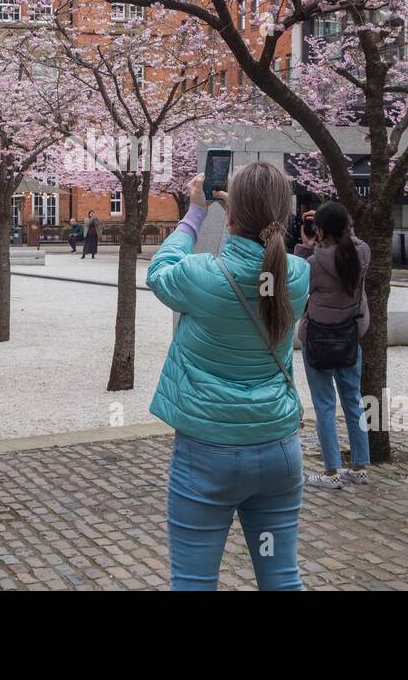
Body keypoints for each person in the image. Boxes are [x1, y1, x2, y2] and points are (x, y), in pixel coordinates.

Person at [146, 162, 311, 591]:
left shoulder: (201, 275)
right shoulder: (297, 276)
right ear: (287, 215)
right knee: (282, 577)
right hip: (278, 447)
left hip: (208, 453)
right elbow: (264, 266)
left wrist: (197, 212)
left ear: (231, 215)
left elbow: (159, 271)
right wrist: (241, 215)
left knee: (194, 580)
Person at [296, 201, 371, 490]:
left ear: (320, 229)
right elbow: (353, 242)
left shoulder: (314, 262)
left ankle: (331, 472)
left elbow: (299, 281)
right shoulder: (362, 254)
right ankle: (360, 466)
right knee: (353, 401)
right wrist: (334, 226)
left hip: (318, 339)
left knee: (325, 405)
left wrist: (307, 244)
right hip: (349, 338)